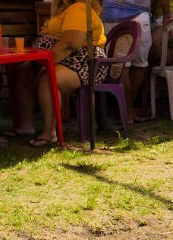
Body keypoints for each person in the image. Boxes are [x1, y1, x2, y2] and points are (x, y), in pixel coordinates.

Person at [7, 0, 107, 146]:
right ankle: (25, 126)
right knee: (24, 72)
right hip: (67, 59)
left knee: (49, 78)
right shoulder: (64, 9)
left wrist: (47, 62)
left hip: (83, 62)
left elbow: (70, 43)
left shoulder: (79, 7)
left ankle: (49, 133)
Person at [102, 0, 151, 123]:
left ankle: (126, 111)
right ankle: (128, 111)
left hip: (112, 15)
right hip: (139, 15)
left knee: (121, 66)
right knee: (139, 65)